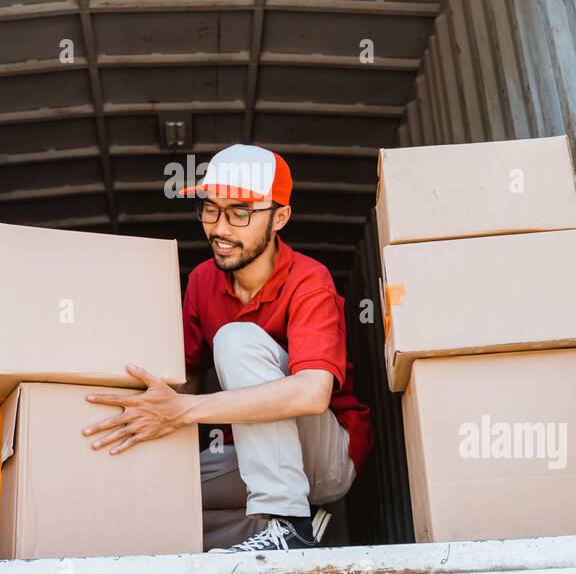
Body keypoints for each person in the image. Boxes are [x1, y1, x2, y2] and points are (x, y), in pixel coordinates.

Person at [81, 143, 373, 552]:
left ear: (280, 217)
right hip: (251, 458)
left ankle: (288, 525)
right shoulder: (202, 280)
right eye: (211, 209)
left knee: (235, 339)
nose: (220, 228)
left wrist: (183, 412)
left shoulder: (310, 280)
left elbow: (312, 392)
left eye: (240, 212)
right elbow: (187, 378)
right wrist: (152, 413)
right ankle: (287, 530)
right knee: (144, 498)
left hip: (325, 459)